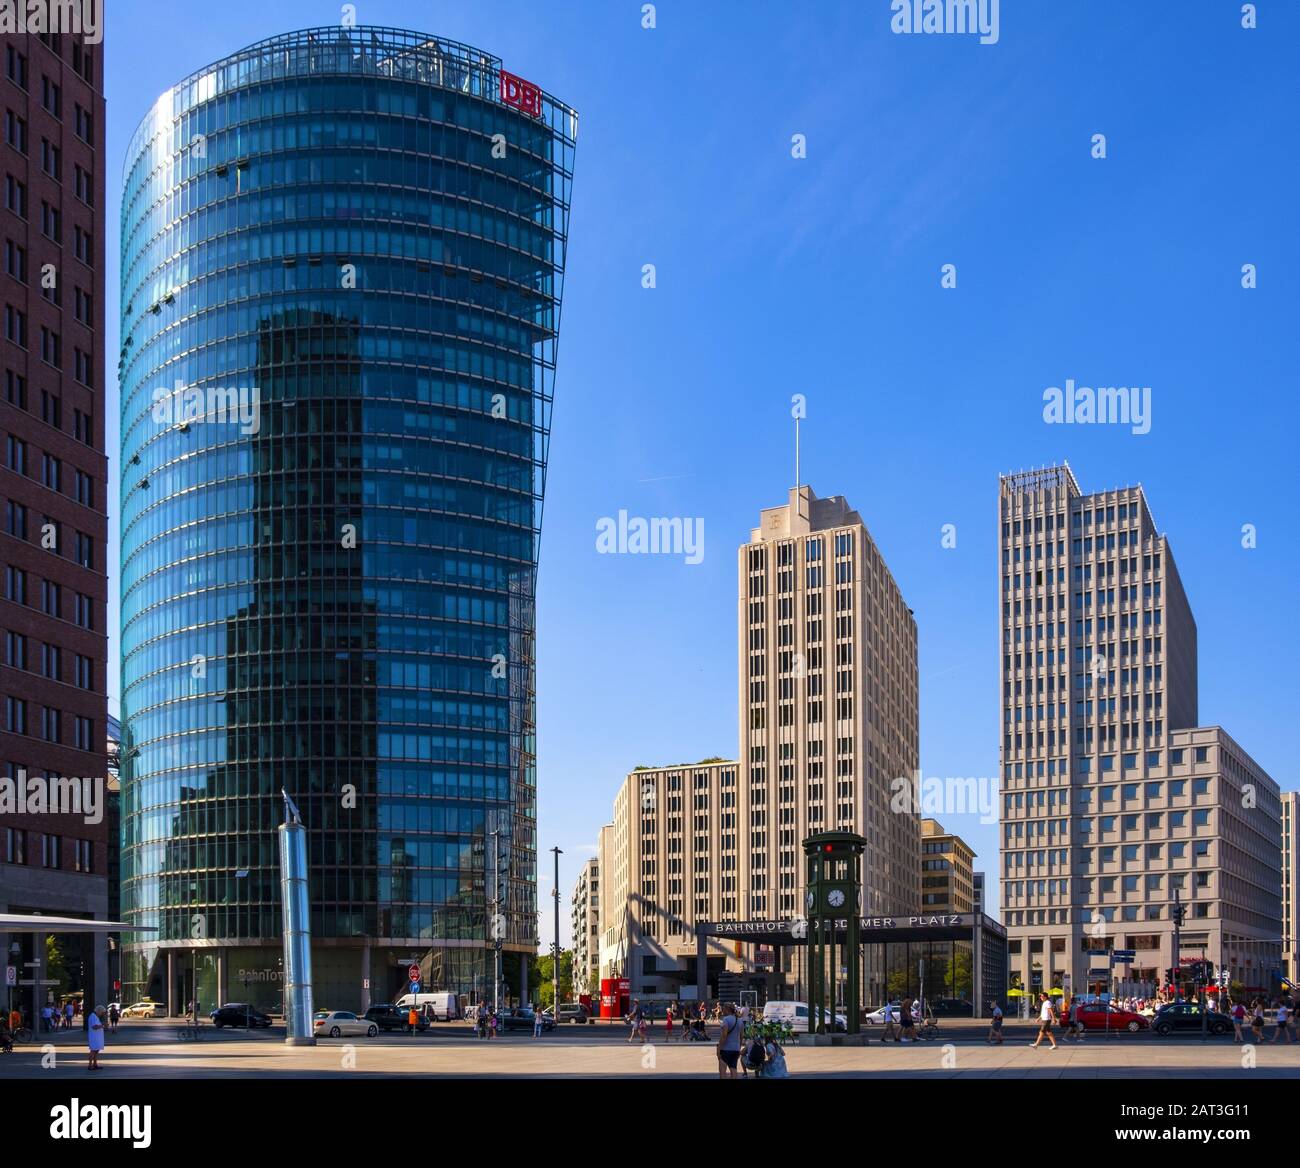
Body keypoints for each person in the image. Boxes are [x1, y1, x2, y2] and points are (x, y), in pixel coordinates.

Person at [716, 1002, 741, 1079]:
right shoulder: (740, 1021)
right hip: (736, 1049)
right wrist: (739, 1049)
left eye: (723, 1009)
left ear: (727, 1010)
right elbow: (741, 1037)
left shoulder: (726, 1019)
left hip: (726, 1049)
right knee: (733, 1069)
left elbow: (724, 1036)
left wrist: (719, 1049)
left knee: (722, 1070)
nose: (722, 1010)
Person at [86, 1004, 105, 1071]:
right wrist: (102, 1025)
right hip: (94, 1037)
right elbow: (94, 1027)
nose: (102, 1014)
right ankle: (90, 1065)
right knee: (93, 1051)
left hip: (97, 1037)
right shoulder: (93, 1017)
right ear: (99, 1011)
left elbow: (96, 1026)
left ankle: (95, 1064)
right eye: (102, 1012)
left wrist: (101, 1025)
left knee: (96, 1051)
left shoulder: (95, 1017)